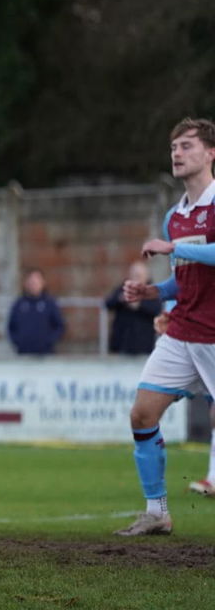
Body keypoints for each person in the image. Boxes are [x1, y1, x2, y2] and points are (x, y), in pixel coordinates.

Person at [115, 117, 215, 536]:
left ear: (211, 153)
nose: (177, 153)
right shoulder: (175, 216)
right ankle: (157, 511)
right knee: (142, 413)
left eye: (187, 146)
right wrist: (153, 293)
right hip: (182, 332)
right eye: (174, 147)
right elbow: (186, 274)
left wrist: (172, 247)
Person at [106, 261, 162, 355]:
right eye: (134, 275)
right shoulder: (123, 288)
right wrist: (121, 300)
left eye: (139, 275)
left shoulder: (152, 291)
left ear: (146, 276)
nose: (136, 279)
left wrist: (139, 305)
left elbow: (156, 309)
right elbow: (108, 303)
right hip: (121, 342)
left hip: (144, 342)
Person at [7, 268, 65, 355]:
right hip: (23, 353)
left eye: (36, 281)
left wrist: (48, 342)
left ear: (42, 283)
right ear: (26, 283)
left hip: (45, 354)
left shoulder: (49, 303)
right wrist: (19, 342)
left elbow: (59, 326)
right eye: (31, 281)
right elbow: (11, 327)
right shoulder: (19, 304)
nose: (33, 284)